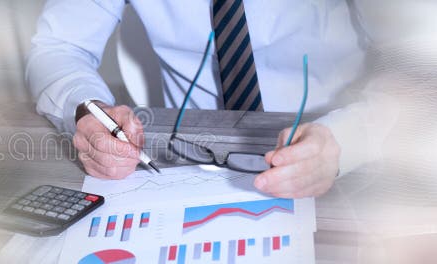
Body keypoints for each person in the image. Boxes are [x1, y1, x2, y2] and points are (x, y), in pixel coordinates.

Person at [26, 0, 368, 198]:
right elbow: (58, 47)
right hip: (187, 161)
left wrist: (348, 137)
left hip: (344, 142)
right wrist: (88, 110)